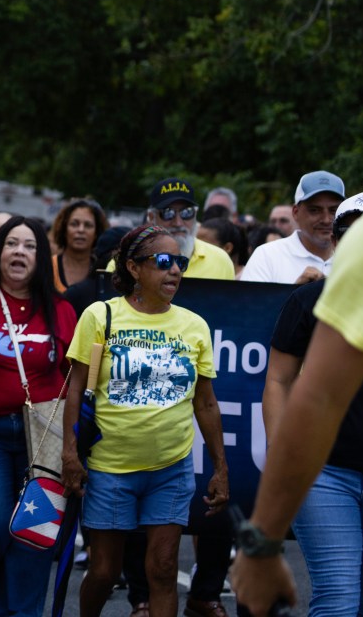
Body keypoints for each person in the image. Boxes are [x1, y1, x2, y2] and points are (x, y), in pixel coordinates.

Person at [61, 225, 229, 617]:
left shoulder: (194, 325)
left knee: (164, 569)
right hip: (109, 467)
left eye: (180, 262)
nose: (176, 271)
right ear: (134, 268)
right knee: (104, 572)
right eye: (164, 261)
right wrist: (70, 454)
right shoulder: (100, 316)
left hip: (171, 469)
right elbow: (76, 389)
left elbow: (205, 403)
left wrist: (220, 467)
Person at [231, 209, 363, 614]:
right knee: (339, 600)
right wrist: (263, 541)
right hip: (329, 471)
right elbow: (307, 394)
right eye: (346, 231)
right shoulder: (361, 254)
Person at [0, 217, 76, 617]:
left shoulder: (61, 310)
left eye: (30, 246)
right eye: (11, 244)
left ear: (42, 258)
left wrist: (73, 446)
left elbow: (75, 380)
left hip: (43, 437)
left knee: (32, 536)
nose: (20, 252)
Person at [110, 178, 234, 280]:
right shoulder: (126, 263)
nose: (178, 222)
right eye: (168, 213)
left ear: (195, 215)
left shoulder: (220, 260)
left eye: (186, 212)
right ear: (151, 217)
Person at [242, 170, 344, 284]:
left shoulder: (354, 257)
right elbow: (249, 296)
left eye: (333, 210)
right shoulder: (267, 256)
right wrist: (296, 291)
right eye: (315, 210)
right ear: (295, 212)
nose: (326, 220)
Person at [50, 199, 109, 293]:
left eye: (88, 225)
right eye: (74, 224)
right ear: (64, 229)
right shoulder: (47, 267)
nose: (81, 230)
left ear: (96, 233)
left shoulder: (104, 271)